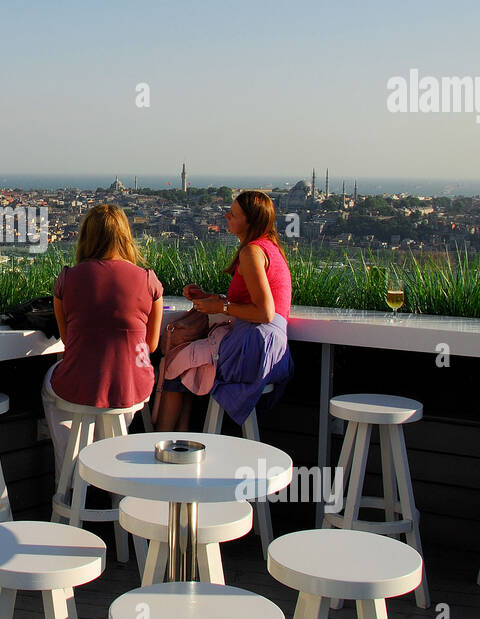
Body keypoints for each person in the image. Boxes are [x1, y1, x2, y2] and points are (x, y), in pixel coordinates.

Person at [153, 189, 293, 432]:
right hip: (270, 347)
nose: (227, 216)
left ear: (250, 221)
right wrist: (211, 299)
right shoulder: (270, 248)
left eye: (234, 213)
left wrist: (220, 306)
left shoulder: (251, 252)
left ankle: (162, 439)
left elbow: (264, 312)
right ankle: (180, 437)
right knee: (182, 364)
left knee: (175, 362)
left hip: (252, 346)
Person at [41, 204, 162, 480]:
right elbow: (151, 345)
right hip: (134, 386)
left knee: (54, 385)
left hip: (79, 386)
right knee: (111, 398)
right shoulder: (149, 281)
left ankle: (70, 474)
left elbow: (69, 342)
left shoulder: (67, 279)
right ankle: (109, 475)